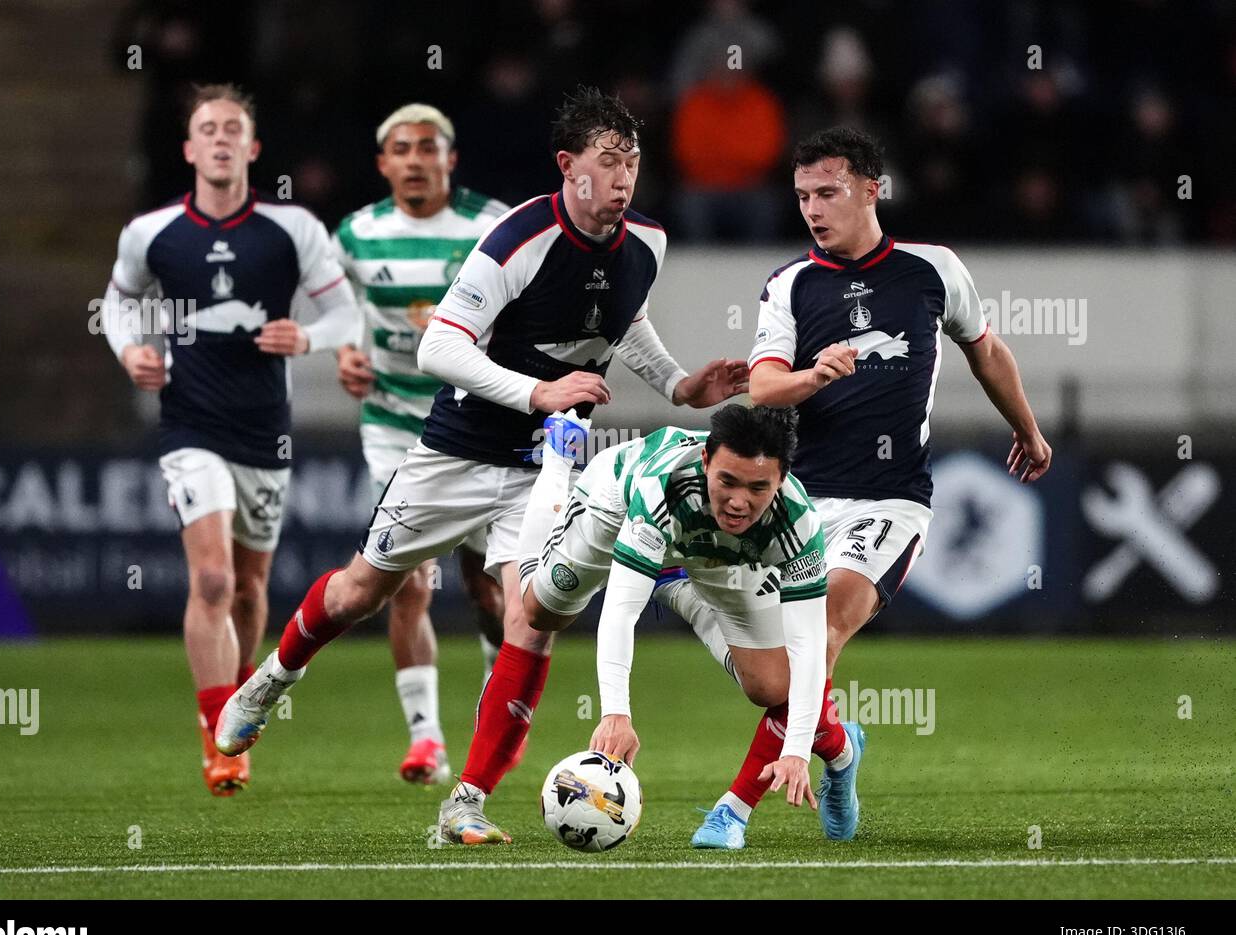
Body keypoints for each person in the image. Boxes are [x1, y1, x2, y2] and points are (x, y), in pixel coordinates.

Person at [213, 86, 748, 843]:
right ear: (568, 167)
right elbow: (439, 347)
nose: (624, 175)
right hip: (457, 451)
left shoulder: (648, 243)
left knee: (528, 615)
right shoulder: (516, 237)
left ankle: (464, 802)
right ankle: (271, 681)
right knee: (364, 590)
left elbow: (621, 323)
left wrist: (681, 385)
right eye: (608, 160)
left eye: (633, 159)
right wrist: (540, 391)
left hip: (545, 468)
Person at [661, 125, 1053, 848]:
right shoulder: (791, 284)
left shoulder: (932, 269)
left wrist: (1028, 430)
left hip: (890, 500)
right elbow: (764, 387)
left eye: (829, 191)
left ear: (874, 189)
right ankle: (840, 751)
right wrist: (813, 377)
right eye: (803, 194)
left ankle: (734, 809)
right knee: (769, 682)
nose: (813, 207)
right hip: (800, 504)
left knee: (826, 632)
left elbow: (987, 350)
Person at [100, 84, 359, 795]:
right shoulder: (151, 234)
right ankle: (219, 731)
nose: (219, 139)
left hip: (263, 430)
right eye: (206, 129)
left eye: (232, 129)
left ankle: (238, 700)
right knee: (211, 578)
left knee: (248, 590)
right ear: (188, 149)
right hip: (189, 424)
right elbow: (119, 305)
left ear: (252, 148)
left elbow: (346, 316)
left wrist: (307, 334)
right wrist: (131, 353)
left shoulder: (293, 229)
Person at [513, 406, 827, 817]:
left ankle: (670, 577)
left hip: (713, 549)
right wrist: (615, 714)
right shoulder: (661, 488)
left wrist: (797, 752)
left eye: (757, 488)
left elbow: (809, 642)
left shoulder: (798, 523)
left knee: (770, 687)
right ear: (705, 461)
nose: (738, 502)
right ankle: (557, 459)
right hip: (618, 505)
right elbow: (622, 609)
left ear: (782, 480)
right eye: (726, 481)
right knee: (540, 612)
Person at [331, 103, 510, 785]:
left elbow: (519, 305)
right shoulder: (356, 234)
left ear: (449, 159)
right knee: (407, 580)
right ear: (383, 163)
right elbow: (337, 312)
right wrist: (347, 353)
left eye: (427, 147)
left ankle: (498, 706)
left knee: (488, 589)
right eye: (400, 148)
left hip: (474, 418)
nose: (414, 159)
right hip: (393, 424)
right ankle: (427, 740)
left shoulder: (490, 225)